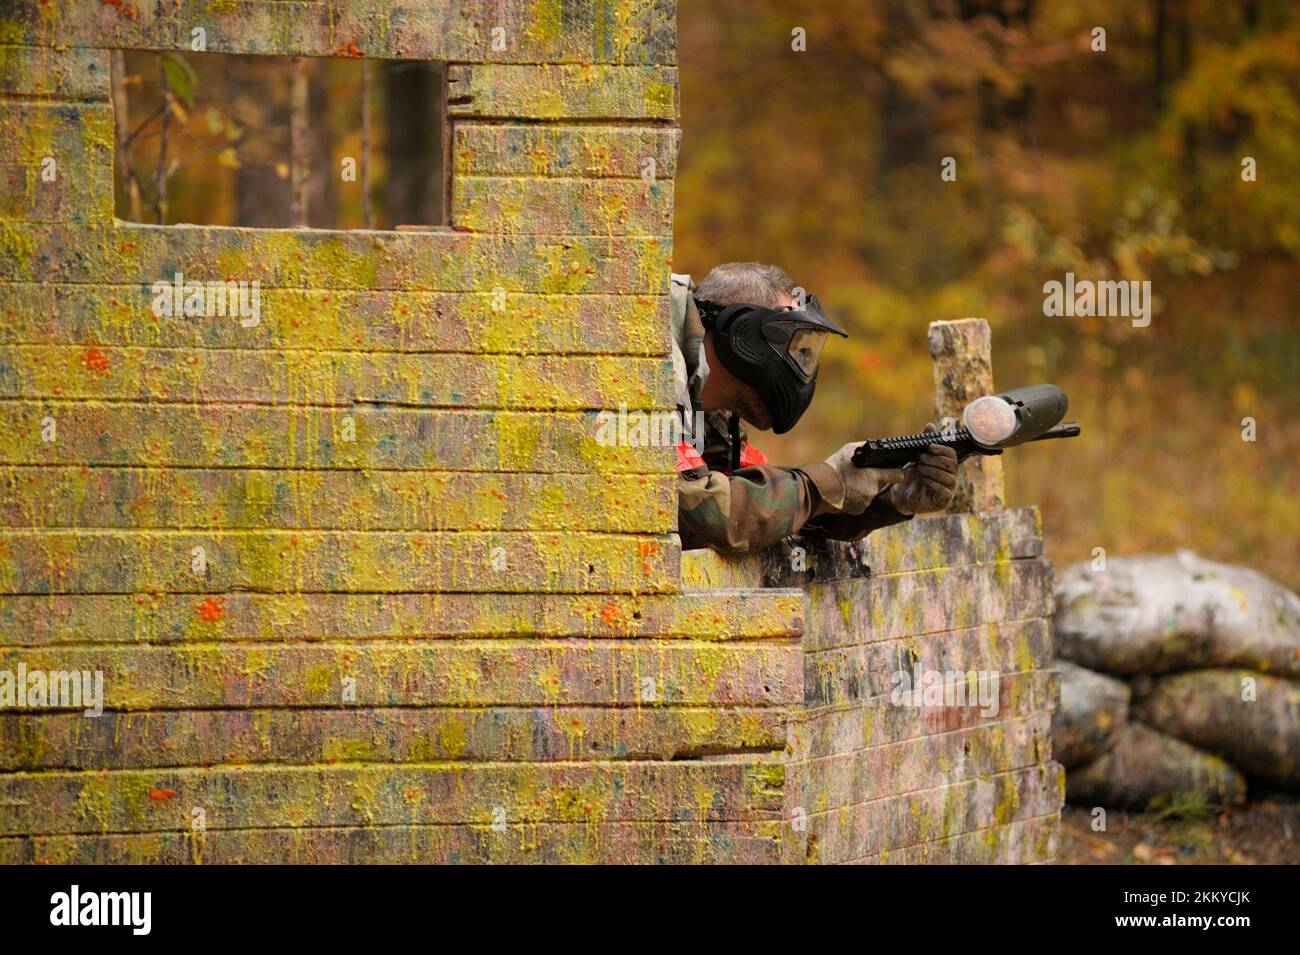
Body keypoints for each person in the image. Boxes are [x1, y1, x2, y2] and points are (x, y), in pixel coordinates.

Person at [672, 262, 959, 554]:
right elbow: (708, 517)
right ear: (743, 336)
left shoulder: (713, 409)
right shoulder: (653, 366)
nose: (801, 368)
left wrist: (891, 500)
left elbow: (761, 513)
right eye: (795, 347)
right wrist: (828, 481)